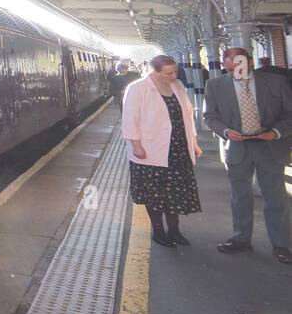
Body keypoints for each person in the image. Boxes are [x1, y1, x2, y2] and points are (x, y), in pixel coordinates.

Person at [204, 46, 292, 262]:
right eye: (230, 68)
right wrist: (225, 132)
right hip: (237, 147)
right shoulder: (215, 85)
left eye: (239, 66)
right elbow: (210, 116)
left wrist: (275, 132)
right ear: (225, 66)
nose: (236, 72)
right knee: (239, 196)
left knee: (275, 197)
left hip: (269, 146)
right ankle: (241, 239)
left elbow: (289, 113)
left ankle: (281, 245)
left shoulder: (275, 82)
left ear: (250, 62)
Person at [123, 55, 203, 247]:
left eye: (175, 71)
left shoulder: (177, 86)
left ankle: (174, 231)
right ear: (154, 71)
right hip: (150, 150)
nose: (174, 75)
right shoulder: (137, 88)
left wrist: (193, 142)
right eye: (169, 72)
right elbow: (129, 118)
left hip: (177, 149)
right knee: (155, 194)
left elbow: (187, 115)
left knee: (176, 193)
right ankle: (158, 231)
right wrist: (136, 145)